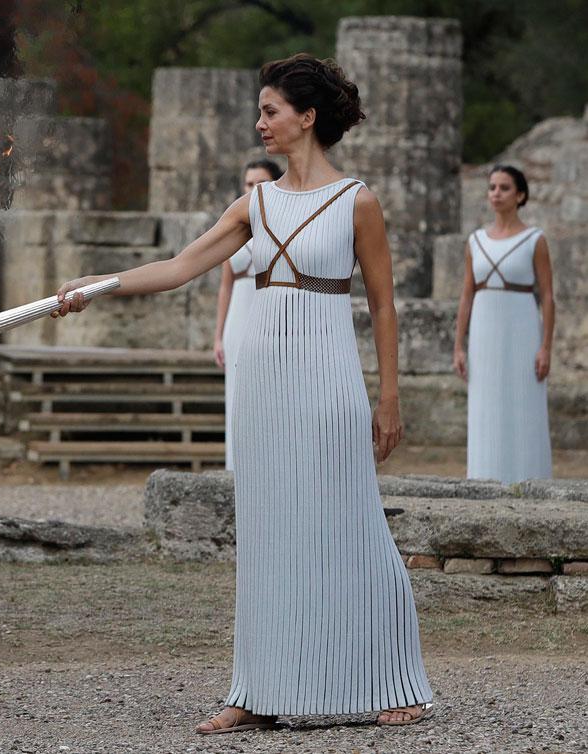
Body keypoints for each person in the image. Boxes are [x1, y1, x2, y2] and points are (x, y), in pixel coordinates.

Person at [55, 53, 433, 732]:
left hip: (327, 377)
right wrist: (94, 288)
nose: (260, 123)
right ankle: (255, 691)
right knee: (266, 530)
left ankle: (393, 679)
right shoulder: (253, 202)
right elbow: (179, 266)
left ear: (306, 117)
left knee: (349, 525)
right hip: (264, 384)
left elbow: (382, 306)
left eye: (271, 111)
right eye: (261, 111)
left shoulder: (357, 201)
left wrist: (389, 397)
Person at [453, 165, 554, 483]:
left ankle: (529, 479)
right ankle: (484, 476)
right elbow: (466, 295)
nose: (496, 193)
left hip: (523, 328)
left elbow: (548, 296)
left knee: (524, 403)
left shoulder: (534, 239)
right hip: (484, 332)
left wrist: (545, 347)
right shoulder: (476, 240)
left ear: (520, 195)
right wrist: (459, 345)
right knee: (485, 404)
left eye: (504, 188)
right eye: (492, 187)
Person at [213, 159, 284, 470]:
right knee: (236, 397)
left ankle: (268, 465)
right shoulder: (235, 225)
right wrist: (218, 336)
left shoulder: (282, 225)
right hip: (238, 314)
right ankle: (235, 467)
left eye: (259, 183)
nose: (253, 189)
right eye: (248, 184)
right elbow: (225, 286)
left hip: (268, 311)